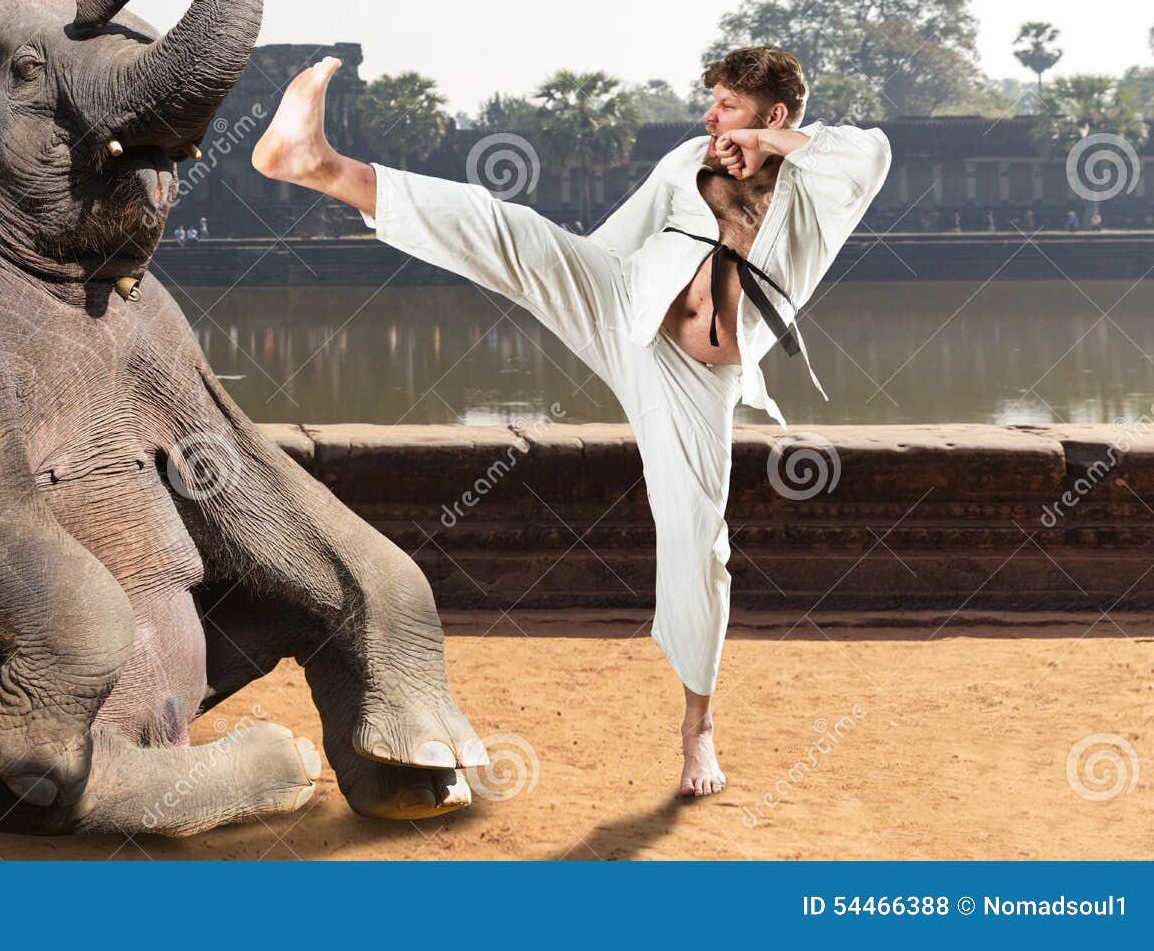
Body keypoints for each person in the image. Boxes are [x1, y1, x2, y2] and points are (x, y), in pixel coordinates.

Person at [252, 45, 891, 799]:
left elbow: (871, 153)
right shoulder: (690, 159)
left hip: (696, 378)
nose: (709, 115)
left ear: (775, 114)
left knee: (697, 539)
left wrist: (770, 148)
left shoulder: (821, 179)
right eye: (711, 99)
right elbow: (613, 242)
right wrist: (559, 277)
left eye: (727, 105)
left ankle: (698, 730)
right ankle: (316, 162)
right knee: (510, 228)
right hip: (625, 310)